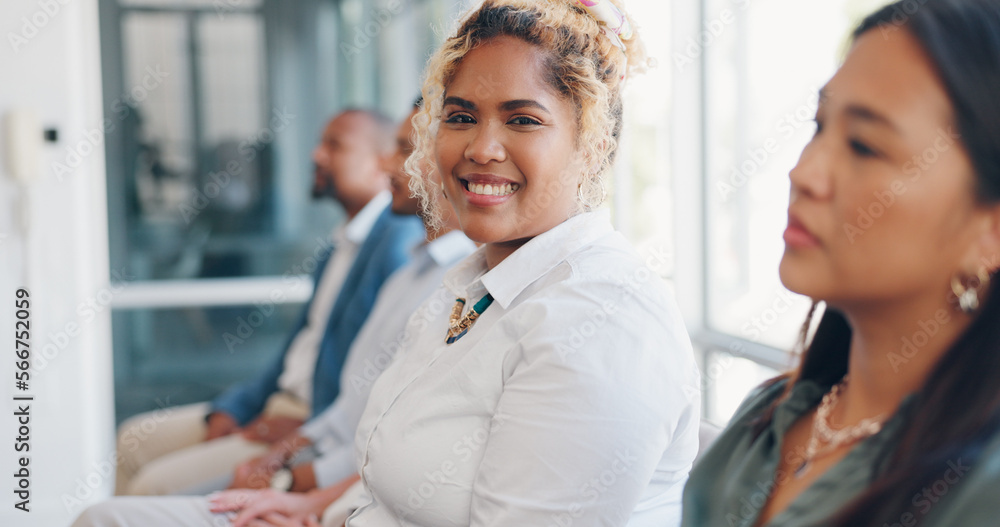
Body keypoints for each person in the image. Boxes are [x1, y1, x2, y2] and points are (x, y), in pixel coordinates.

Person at [77, 0, 700, 525]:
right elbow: (386, 473)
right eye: (460, 117)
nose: (482, 148)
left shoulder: (601, 318)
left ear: (593, 146)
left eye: (523, 119)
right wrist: (311, 506)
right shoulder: (472, 281)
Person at [681, 1, 1000, 525]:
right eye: (818, 125)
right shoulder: (762, 421)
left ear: (990, 229)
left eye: (863, 146)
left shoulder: (977, 492)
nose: (804, 173)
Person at [115, 109, 426, 496]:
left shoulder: (398, 247)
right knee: (131, 439)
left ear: (378, 163)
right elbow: (295, 351)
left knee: (152, 487)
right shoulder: (342, 243)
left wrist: (304, 430)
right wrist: (234, 407)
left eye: (335, 145)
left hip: (304, 423)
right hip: (279, 408)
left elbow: (372, 381)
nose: (316, 155)